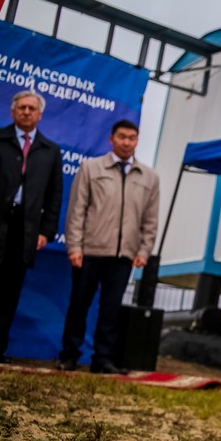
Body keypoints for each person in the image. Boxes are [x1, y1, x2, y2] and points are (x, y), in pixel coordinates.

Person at [59, 120, 159, 373]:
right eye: (122, 137)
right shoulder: (91, 168)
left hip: (124, 255)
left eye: (132, 138)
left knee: (111, 310)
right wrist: (74, 246)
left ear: (137, 141)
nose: (127, 142)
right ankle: (69, 355)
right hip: (89, 251)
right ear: (111, 139)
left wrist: (144, 250)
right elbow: (76, 210)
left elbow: (150, 218)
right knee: (79, 305)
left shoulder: (149, 178)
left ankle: (103, 360)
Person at [0, 90, 63, 362]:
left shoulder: (51, 151)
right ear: (12, 112)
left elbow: (55, 195)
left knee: (9, 294)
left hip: (24, 232)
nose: (26, 112)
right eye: (21, 107)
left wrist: (45, 232)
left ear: (40, 115)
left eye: (31, 108)